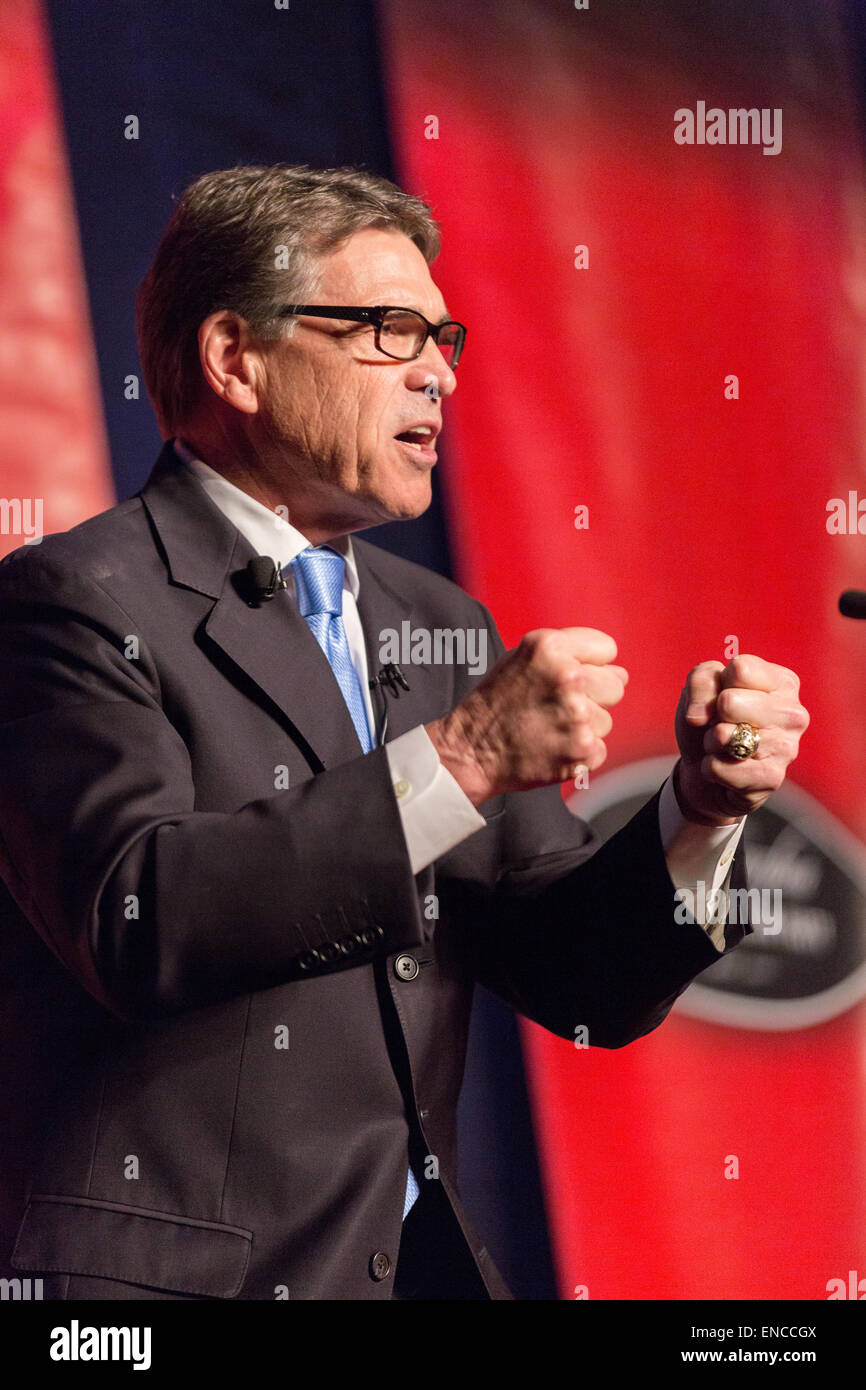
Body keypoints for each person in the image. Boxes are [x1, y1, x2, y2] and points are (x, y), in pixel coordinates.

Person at [0, 164, 808, 1301]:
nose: (437, 372)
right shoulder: (74, 600)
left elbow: (580, 978)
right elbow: (140, 915)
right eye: (387, 330)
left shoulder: (436, 626)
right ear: (235, 357)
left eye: (444, 339)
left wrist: (697, 816)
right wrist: (464, 757)